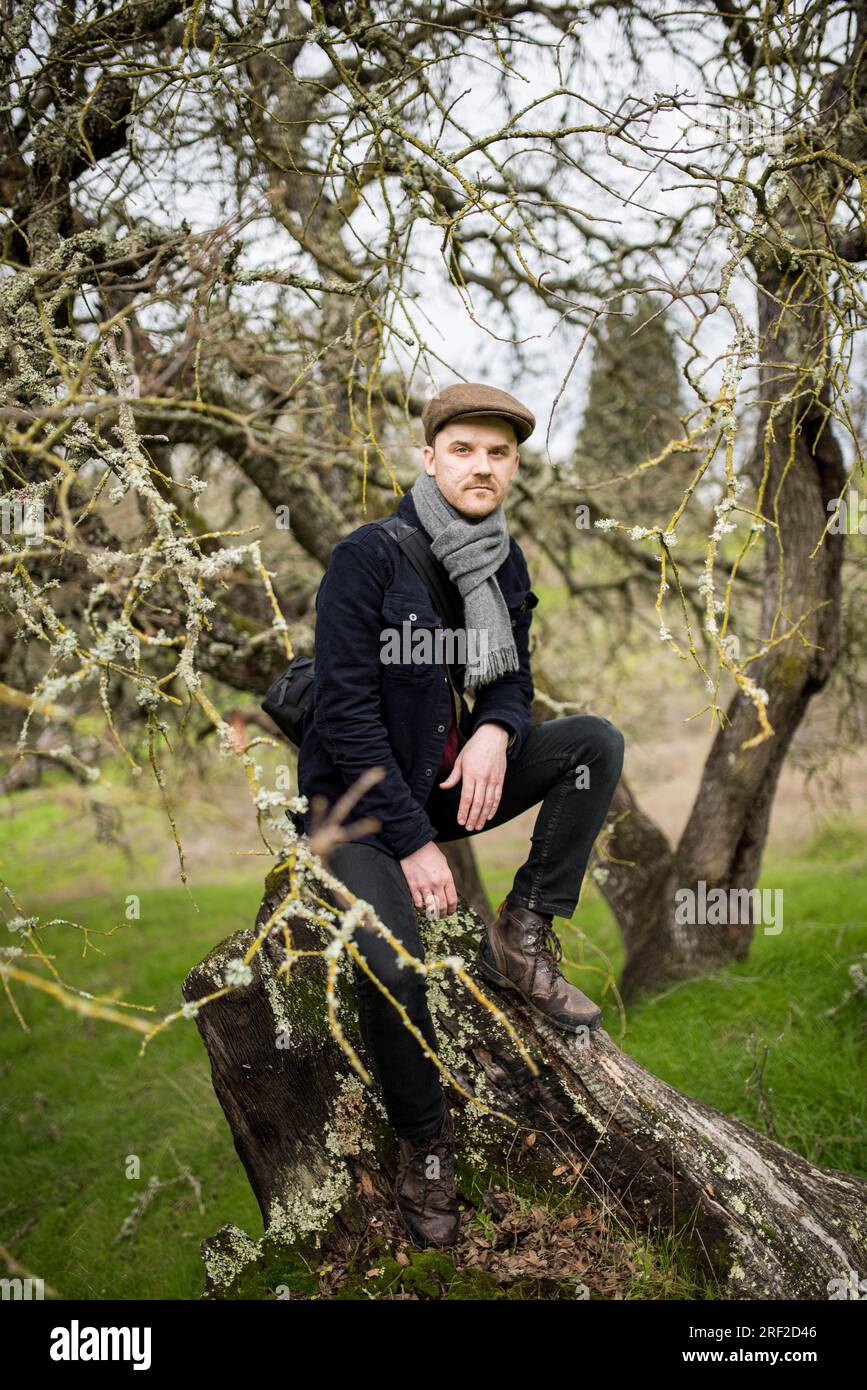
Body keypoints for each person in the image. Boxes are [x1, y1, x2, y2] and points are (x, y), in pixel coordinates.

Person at [297, 382, 625, 1247]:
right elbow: (344, 715)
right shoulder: (367, 557)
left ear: (513, 465)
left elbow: (510, 678)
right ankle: (425, 1145)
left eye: (499, 453)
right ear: (428, 457)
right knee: (394, 966)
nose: (482, 466)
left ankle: (523, 932)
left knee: (592, 742)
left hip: (447, 782)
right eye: (465, 449)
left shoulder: (498, 561)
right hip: (361, 810)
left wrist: (492, 732)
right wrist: (412, 844)